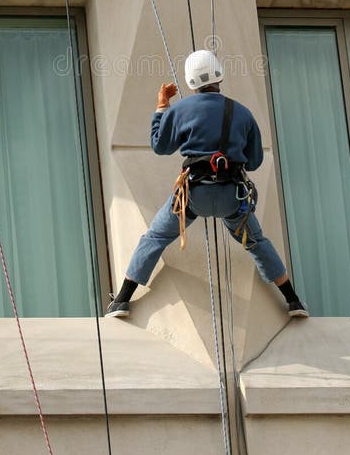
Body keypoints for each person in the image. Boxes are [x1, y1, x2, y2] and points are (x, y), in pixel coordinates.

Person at [105, 50, 308, 319]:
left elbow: (160, 145)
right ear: (219, 76)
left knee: (155, 238)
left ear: (191, 81)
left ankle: (121, 300)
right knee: (257, 242)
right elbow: (255, 161)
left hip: (193, 195)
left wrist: (162, 105)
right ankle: (293, 301)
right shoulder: (243, 113)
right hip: (231, 197)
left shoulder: (180, 109)